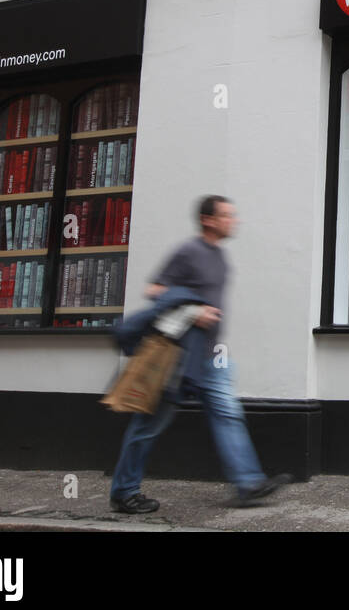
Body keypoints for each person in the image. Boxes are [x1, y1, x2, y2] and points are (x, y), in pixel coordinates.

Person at [109, 195, 290, 513]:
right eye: (226, 216)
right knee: (147, 425)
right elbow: (154, 290)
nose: (234, 221)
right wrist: (194, 310)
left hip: (211, 359)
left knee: (228, 416)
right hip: (177, 359)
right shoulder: (188, 251)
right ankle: (124, 491)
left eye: (233, 215)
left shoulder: (220, 255)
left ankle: (248, 483)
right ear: (208, 220)